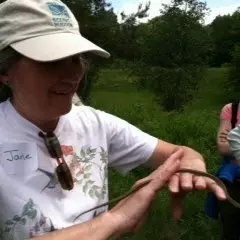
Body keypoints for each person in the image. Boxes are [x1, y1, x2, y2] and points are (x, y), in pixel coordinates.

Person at [0, 0, 226, 239]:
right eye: (51, 61)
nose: (73, 74)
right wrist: (118, 219)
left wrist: (191, 164)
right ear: (4, 71)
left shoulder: (96, 124)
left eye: (76, 58)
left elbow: (181, 154)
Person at [205, 102, 240, 240]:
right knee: (230, 229)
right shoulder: (232, 109)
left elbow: (229, 142)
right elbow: (222, 147)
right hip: (233, 184)